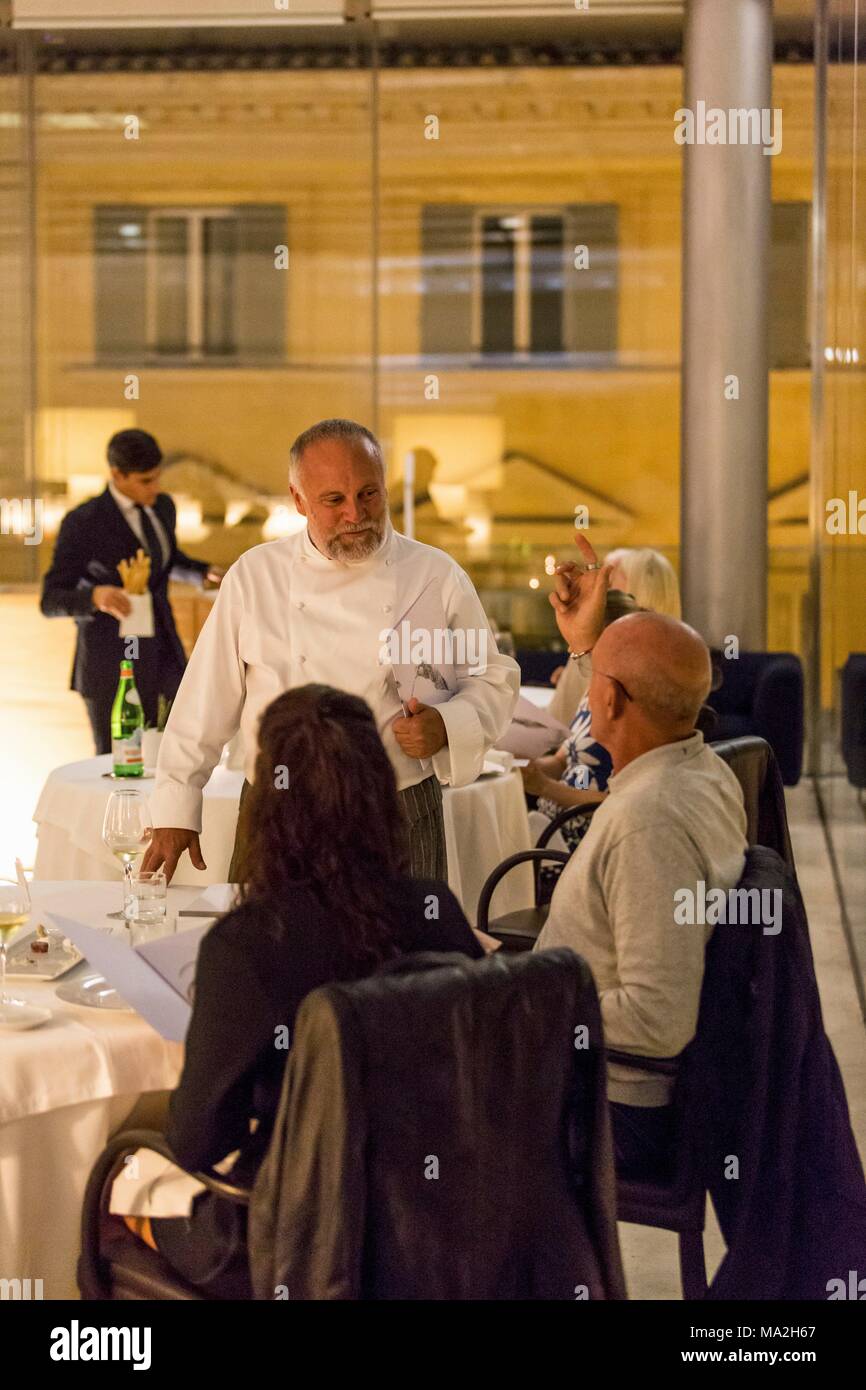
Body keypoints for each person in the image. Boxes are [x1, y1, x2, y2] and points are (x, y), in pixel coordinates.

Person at [121, 685, 483, 1298]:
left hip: (283, 1236)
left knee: (114, 1187)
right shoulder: (436, 911)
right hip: (426, 1227)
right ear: (380, 792)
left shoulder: (249, 945)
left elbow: (200, 1142)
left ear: (269, 802)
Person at [143, 418, 519, 884]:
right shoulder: (256, 576)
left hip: (396, 806)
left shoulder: (434, 575)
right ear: (299, 501)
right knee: (269, 950)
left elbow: (492, 678)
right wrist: (176, 807)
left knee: (406, 952)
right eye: (334, 500)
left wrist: (447, 725)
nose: (355, 515)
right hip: (280, 807)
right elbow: (205, 698)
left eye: (369, 494)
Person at [537, 540, 747, 1179]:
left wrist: (519, 999)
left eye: (592, 677)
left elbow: (656, 1020)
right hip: (597, 1070)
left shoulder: (647, 823)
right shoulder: (703, 769)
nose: (582, 691)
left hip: (609, 1106)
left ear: (611, 701)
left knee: (399, 1091)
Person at [40, 429, 224, 753]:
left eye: (157, 478)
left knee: (173, 754)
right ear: (117, 475)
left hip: (163, 653)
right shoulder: (83, 522)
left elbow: (165, 560)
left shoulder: (163, 507)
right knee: (120, 762)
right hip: (111, 662)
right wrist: (94, 597)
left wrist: (200, 572)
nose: (156, 488)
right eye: (145, 481)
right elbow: (51, 599)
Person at [521, 590, 641, 856]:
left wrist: (544, 787)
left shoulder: (633, 705)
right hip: (548, 829)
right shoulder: (593, 688)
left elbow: (623, 803)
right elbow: (563, 761)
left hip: (581, 845)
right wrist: (528, 769)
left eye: (580, 640)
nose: (571, 650)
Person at [548, 545, 681, 727]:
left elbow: (556, 729)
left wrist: (582, 660)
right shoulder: (682, 657)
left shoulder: (603, 649)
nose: (598, 592)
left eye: (608, 584)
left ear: (634, 593)